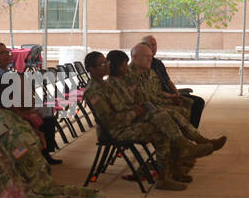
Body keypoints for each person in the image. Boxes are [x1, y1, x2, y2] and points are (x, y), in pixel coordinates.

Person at [84, 50, 210, 190]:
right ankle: (173, 165)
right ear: (91, 69)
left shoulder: (106, 85)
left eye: (106, 62)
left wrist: (138, 108)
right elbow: (110, 121)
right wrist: (135, 112)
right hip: (116, 130)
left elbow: (126, 105)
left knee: (162, 120)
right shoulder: (94, 91)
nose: (107, 65)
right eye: (102, 64)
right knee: (161, 129)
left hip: (129, 122)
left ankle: (173, 166)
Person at [129, 44, 225, 149]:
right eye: (146, 56)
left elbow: (157, 92)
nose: (150, 59)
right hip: (142, 113)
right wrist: (169, 101)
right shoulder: (129, 76)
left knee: (188, 104)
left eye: (150, 56)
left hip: (155, 106)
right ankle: (192, 145)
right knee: (172, 114)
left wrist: (172, 96)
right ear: (134, 57)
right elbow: (148, 100)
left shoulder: (149, 72)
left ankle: (186, 149)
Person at [0, 42, 60, 163]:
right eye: (3, 53)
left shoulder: (6, 71)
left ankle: (46, 150)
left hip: (18, 105)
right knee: (37, 116)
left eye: (7, 52)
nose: (7, 55)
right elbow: (3, 98)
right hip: (7, 109)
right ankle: (43, 152)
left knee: (47, 110)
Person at [141, 35, 205, 127]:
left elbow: (168, 81)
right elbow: (153, 93)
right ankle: (187, 134)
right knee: (187, 106)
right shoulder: (143, 66)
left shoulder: (158, 63)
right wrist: (171, 97)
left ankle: (191, 133)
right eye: (150, 45)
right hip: (161, 98)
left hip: (170, 94)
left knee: (198, 102)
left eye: (155, 45)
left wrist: (176, 93)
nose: (153, 47)